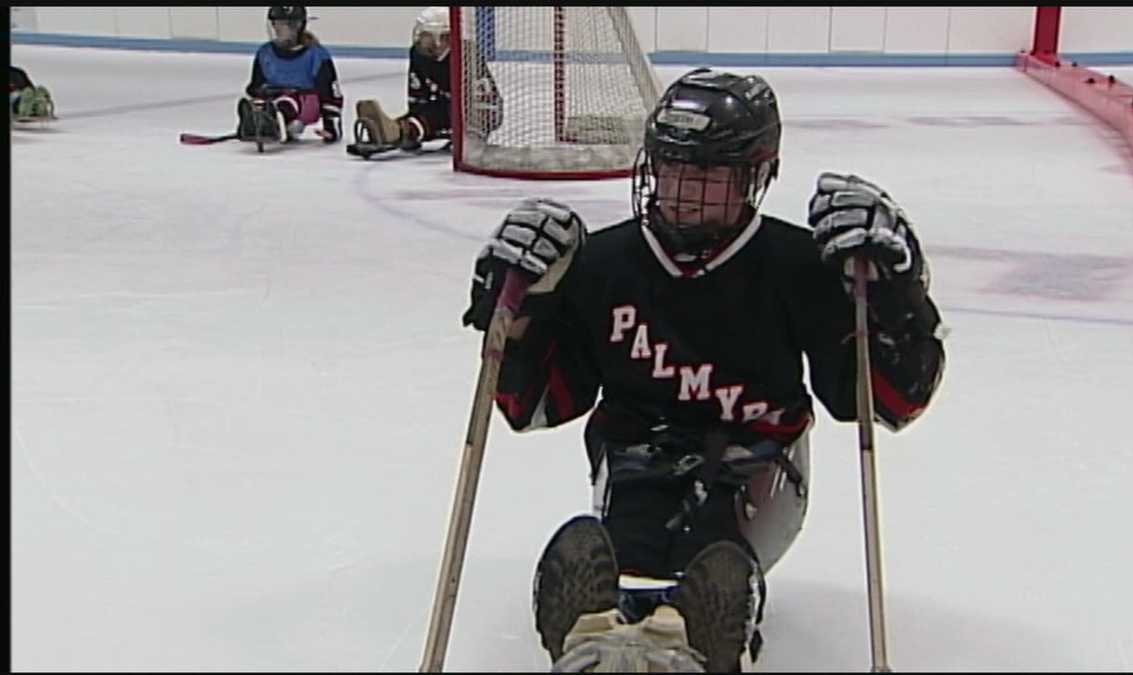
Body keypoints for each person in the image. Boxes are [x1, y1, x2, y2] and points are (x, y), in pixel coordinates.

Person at [460, 67, 947, 672]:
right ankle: (615, 628)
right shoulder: (604, 263)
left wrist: (898, 293)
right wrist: (519, 312)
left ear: (754, 176)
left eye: (708, 172)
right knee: (621, 552)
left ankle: (696, 626)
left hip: (759, 463)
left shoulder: (797, 266)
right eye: (671, 167)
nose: (683, 189)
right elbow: (534, 405)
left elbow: (889, 404)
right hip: (635, 458)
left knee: (716, 554)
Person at [351, 6, 501, 152]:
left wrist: (471, 133)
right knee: (426, 115)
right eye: (422, 35)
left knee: (441, 113)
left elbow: (487, 108)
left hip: (474, 114)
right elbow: (417, 99)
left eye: (428, 37)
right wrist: (415, 119)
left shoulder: (466, 55)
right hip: (443, 105)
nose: (422, 41)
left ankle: (398, 131)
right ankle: (396, 130)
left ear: (446, 38)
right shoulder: (418, 55)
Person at [236, 6, 343, 145]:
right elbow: (255, 86)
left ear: (299, 27)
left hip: (304, 101)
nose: (281, 29)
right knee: (257, 102)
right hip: (273, 96)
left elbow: (331, 94)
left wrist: (331, 127)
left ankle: (277, 119)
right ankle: (258, 120)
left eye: (287, 25)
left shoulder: (316, 55)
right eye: (277, 24)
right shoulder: (265, 53)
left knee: (286, 103)